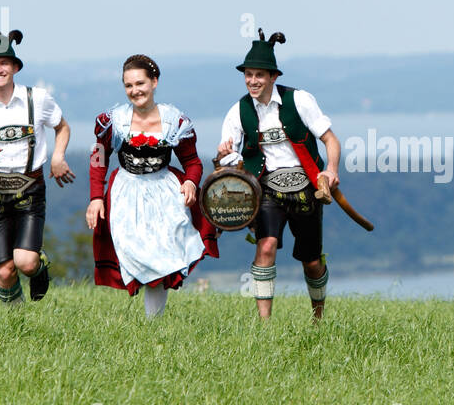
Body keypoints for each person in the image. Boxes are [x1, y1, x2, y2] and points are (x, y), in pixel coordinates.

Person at [216, 29, 340, 319]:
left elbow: (330, 140)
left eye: (259, 75)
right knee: (266, 246)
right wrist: (224, 156)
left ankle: (318, 318)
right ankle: (264, 326)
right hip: (267, 189)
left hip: (307, 186)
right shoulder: (238, 111)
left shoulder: (300, 100)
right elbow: (231, 161)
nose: (252, 81)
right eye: (248, 74)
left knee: (311, 261)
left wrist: (331, 170)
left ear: (273, 77)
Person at [86, 55, 219, 316]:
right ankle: (143, 322)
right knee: (135, 251)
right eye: (128, 85)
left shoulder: (174, 121)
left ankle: (152, 325)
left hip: (164, 192)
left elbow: (192, 161)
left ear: (154, 82)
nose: (134, 91)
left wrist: (191, 181)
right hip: (126, 191)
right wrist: (96, 197)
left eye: (140, 83)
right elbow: (98, 158)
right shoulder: (113, 121)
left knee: (161, 256)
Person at [0, 29, 74, 304]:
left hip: (31, 189)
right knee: (5, 272)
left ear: (15, 67)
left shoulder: (37, 99)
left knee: (25, 262)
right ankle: (17, 324)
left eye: (4, 63)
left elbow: (63, 127)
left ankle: (39, 267)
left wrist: (58, 157)